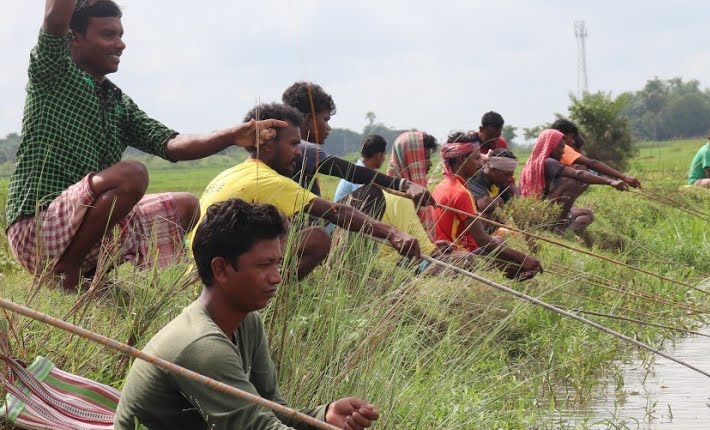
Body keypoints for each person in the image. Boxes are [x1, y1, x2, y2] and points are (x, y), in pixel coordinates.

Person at [113, 198, 425, 430]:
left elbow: (270, 411)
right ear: (221, 269)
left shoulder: (247, 321)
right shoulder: (201, 343)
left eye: (278, 262)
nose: (277, 276)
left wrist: (324, 417)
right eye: (264, 265)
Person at [5, 0, 287, 292]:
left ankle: (91, 276)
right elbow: (54, 18)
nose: (120, 44)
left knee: (186, 206)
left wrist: (231, 135)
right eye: (108, 35)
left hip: (81, 227)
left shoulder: (117, 103)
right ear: (74, 39)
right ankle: (67, 272)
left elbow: (173, 144)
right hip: (39, 229)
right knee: (132, 174)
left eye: (121, 35)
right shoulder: (54, 73)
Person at [193, 103, 423, 280]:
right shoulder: (267, 179)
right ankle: (274, 301)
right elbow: (336, 212)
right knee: (318, 238)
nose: (297, 152)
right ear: (267, 143)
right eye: (293, 144)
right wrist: (393, 233)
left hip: (206, 272)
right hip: (220, 277)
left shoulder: (229, 173)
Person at [280, 82, 428, 204]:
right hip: (305, 232)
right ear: (309, 119)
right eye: (325, 119)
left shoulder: (280, 145)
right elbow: (352, 172)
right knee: (371, 194)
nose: (328, 127)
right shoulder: (305, 149)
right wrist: (404, 184)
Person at [430, 134, 542, 280]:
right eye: (476, 158)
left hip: (449, 249)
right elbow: (481, 239)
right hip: (456, 253)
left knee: (499, 243)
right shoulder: (461, 192)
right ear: (462, 160)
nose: (480, 163)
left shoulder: (443, 185)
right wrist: (523, 258)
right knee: (511, 260)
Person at [520, 128, 627, 234]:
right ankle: (559, 228)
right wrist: (610, 182)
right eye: (561, 147)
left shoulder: (534, 162)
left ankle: (565, 229)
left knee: (588, 214)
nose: (563, 151)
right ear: (550, 146)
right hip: (539, 213)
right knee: (571, 182)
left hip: (537, 211)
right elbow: (579, 174)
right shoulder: (549, 162)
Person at [548, 118, 641, 189]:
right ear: (560, 135)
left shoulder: (549, 151)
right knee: (582, 169)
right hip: (548, 198)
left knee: (587, 213)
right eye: (571, 137)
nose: (573, 142)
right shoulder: (561, 148)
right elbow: (591, 163)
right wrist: (622, 177)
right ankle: (561, 212)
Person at [387, 131, 440, 226]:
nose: (430, 164)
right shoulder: (397, 197)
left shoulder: (414, 194)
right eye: (426, 158)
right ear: (410, 159)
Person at [466, 149, 518, 224]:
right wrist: (499, 200)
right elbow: (484, 204)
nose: (509, 179)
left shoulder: (499, 181)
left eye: (511, 175)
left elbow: (510, 204)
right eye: (507, 174)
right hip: (467, 226)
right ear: (493, 170)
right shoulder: (475, 178)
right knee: (489, 213)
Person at [333, 134, 388, 204]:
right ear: (378, 155)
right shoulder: (358, 174)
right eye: (384, 154)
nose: (384, 158)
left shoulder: (358, 170)